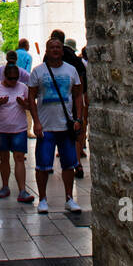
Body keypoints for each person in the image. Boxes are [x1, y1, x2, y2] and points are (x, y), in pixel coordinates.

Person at [28, 35, 83, 213]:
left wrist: (78, 119)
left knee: (69, 164)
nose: (55, 50)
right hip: (46, 126)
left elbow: (77, 95)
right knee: (43, 165)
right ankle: (42, 198)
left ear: (62, 50)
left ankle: (69, 197)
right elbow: (31, 97)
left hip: (65, 125)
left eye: (58, 47)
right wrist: (36, 122)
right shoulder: (38, 71)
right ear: (47, 51)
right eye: (52, 47)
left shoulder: (71, 71)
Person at [0, 60, 34, 203]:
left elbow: (30, 106)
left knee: (19, 157)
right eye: (10, 79)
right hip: (2, 129)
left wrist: (24, 104)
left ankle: (22, 189)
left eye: (16, 78)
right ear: (4, 77)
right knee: (4, 158)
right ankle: (5, 185)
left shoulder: (23, 88)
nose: (13, 81)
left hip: (19, 128)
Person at [50, 29, 88, 178]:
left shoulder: (50, 57)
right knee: (75, 131)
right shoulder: (73, 57)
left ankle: (50, 164)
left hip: (56, 100)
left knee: (54, 131)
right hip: (70, 99)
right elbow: (81, 78)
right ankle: (77, 163)